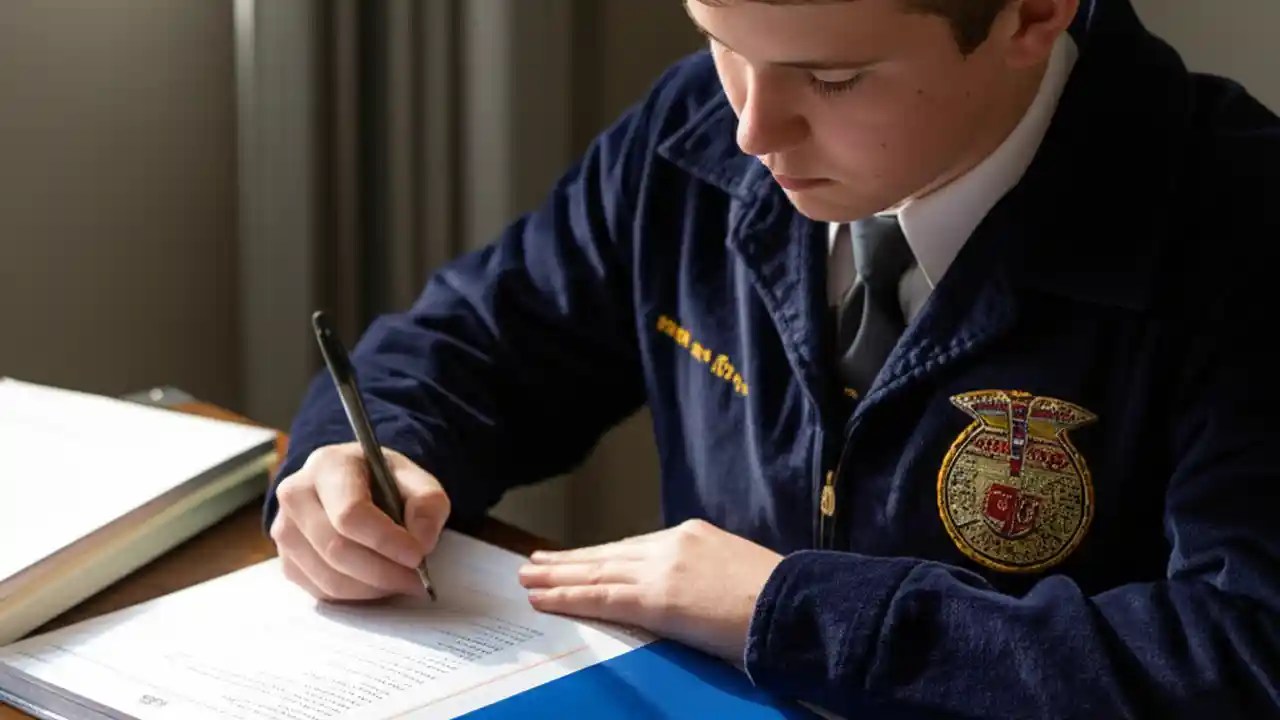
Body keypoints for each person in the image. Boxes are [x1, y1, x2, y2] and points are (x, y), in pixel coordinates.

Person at [263, 0, 1280, 717]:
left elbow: (1240, 657)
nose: (752, 128)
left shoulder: (1238, 231)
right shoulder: (692, 128)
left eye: (832, 78)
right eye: (716, 40)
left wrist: (787, 610)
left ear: (1028, 14)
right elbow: (475, 344)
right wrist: (369, 456)